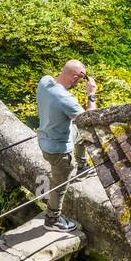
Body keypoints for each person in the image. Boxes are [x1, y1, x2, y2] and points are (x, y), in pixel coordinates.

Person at [35, 59, 97, 233]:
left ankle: (83, 167)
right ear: (75, 77)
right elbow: (91, 120)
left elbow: (81, 126)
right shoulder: (66, 99)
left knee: (80, 133)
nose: (79, 83)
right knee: (59, 185)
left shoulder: (45, 81)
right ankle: (52, 219)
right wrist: (91, 95)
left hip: (45, 138)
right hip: (58, 151)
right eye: (80, 79)